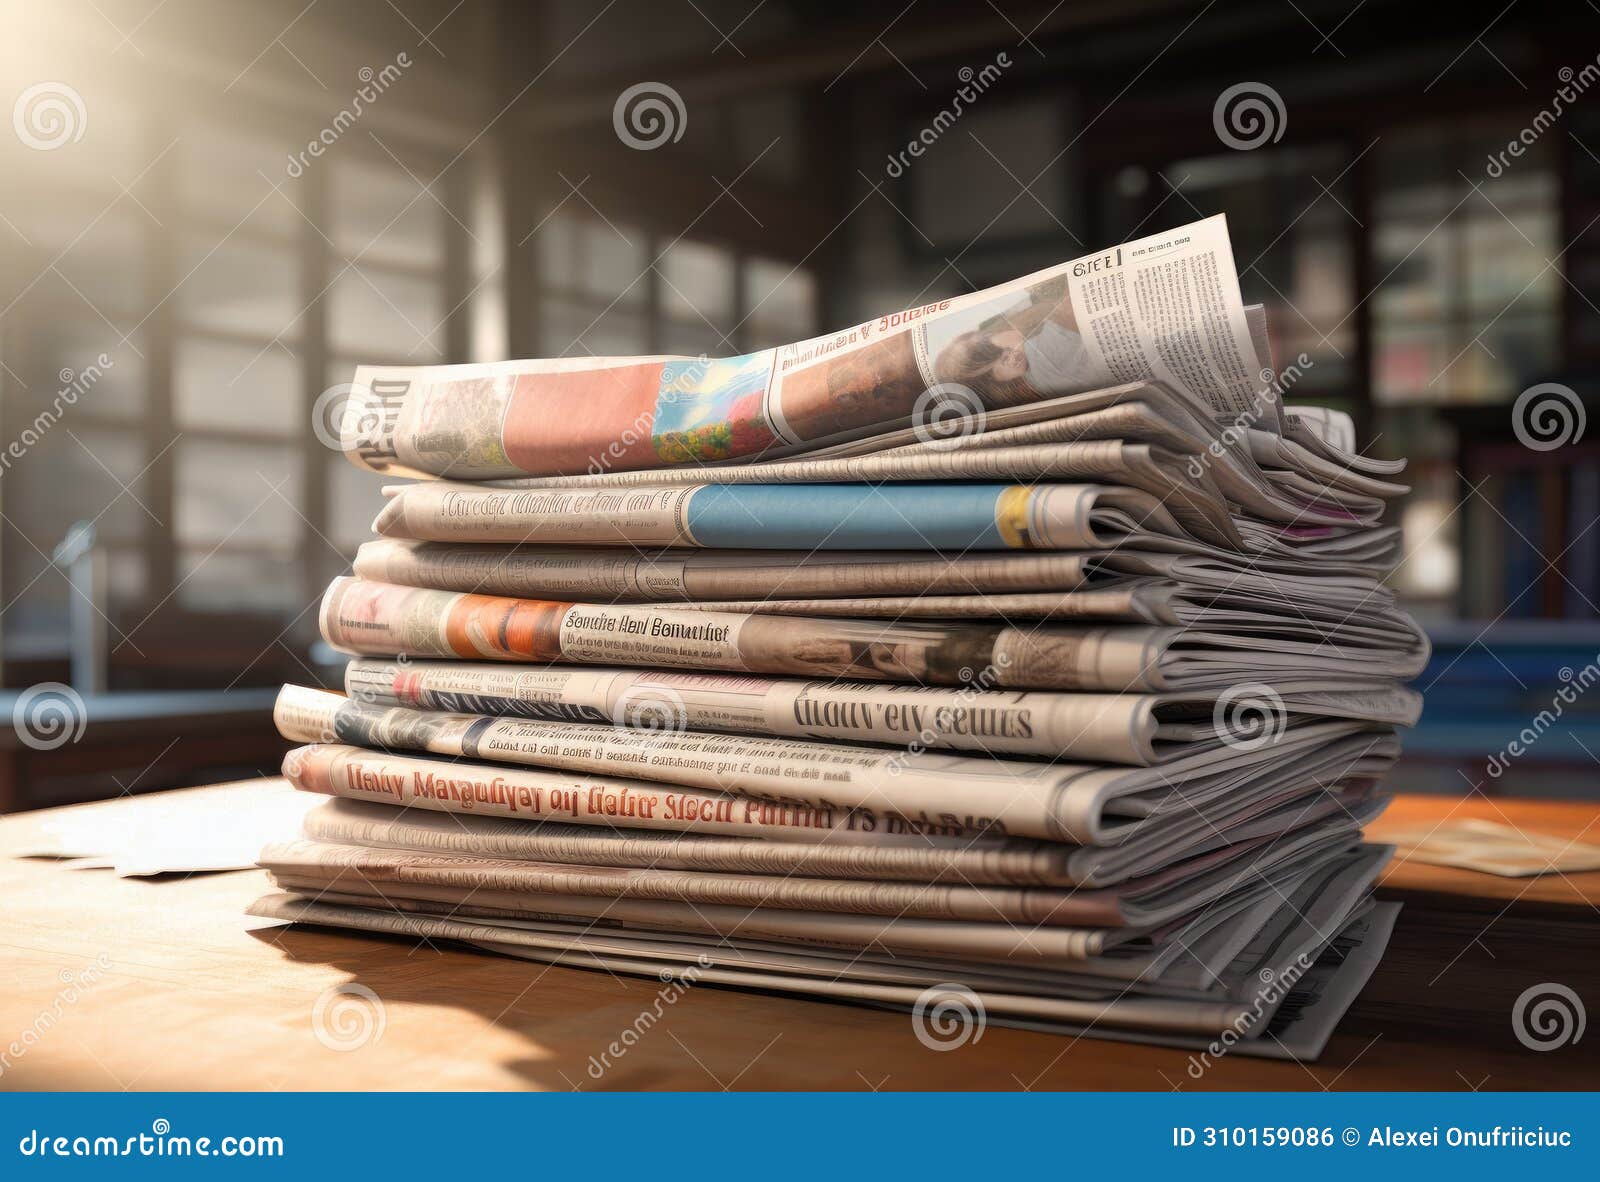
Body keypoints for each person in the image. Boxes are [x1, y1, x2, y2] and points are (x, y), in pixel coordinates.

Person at [935, 283, 1103, 408]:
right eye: (992, 373)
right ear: (997, 387)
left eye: (1001, 352)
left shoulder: (1037, 380)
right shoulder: (1039, 354)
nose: (1012, 358)